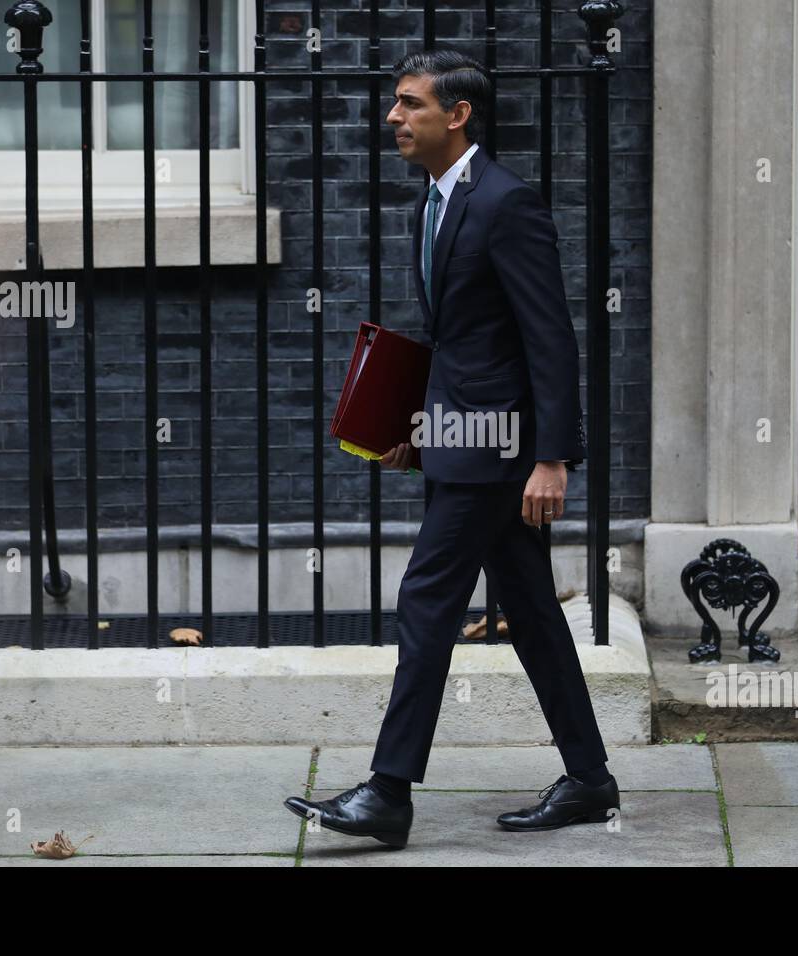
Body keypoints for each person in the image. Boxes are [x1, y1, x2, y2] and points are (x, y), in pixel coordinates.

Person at [284, 47, 617, 849]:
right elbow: (460, 342)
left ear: (457, 114)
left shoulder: (507, 203)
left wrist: (553, 456)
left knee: (427, 599)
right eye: (395, 104)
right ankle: (590, 780)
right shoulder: (429, 206)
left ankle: (388, 793)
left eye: (409, 105)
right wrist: (415, 429)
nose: (392, 118)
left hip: (499, 451)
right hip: (458, 440)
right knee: (533, 611)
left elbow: (551, 338)